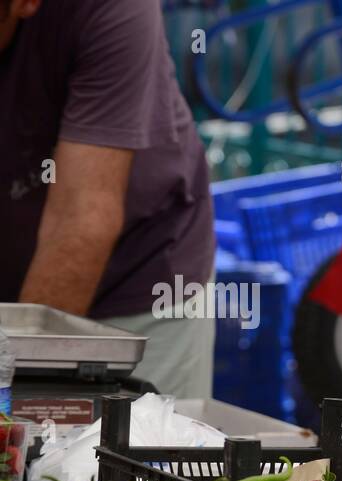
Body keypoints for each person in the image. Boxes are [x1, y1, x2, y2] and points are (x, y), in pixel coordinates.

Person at [0, 0, 215, 399]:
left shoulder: (111, 8)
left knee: (137, 454)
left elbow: (81, 220)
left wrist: (10, 396)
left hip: (139, 286)